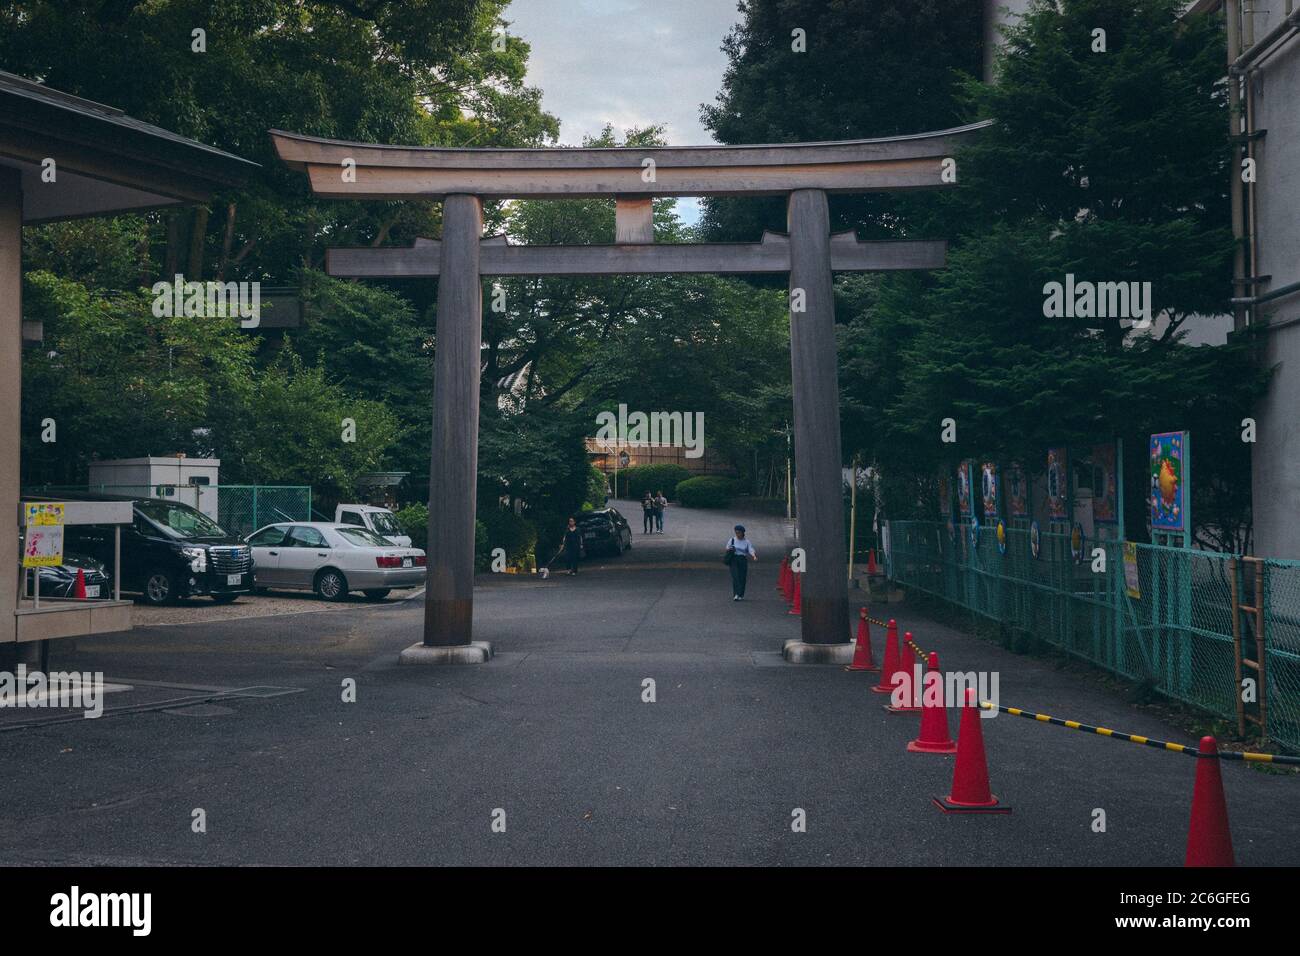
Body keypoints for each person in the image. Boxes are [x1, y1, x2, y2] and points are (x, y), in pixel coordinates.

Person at [725, 524, 757, 600]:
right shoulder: (732, 540)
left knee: (742, 577)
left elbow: (750, 549)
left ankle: (741, 594)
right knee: (735, 576)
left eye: (739, 532)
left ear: (742, 533)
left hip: (742, 559)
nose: (737, 534)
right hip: (734, 559)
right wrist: (730, 549)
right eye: (736, 532)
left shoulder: (746, 542)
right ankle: (736, 594)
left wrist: (754, 556)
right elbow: (727, 548)